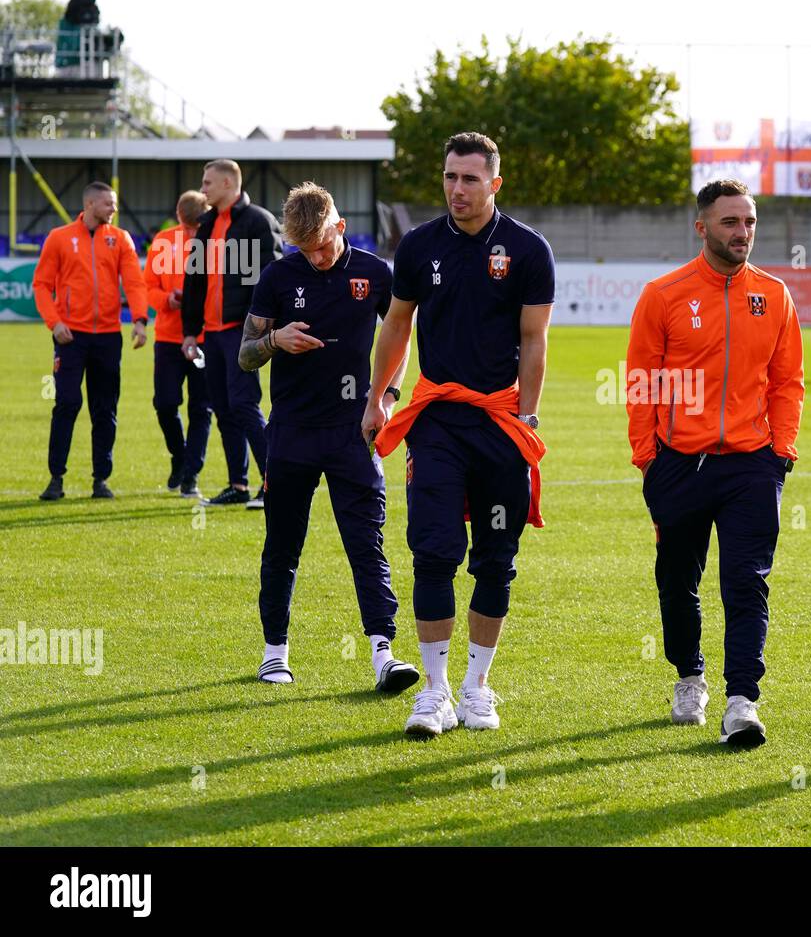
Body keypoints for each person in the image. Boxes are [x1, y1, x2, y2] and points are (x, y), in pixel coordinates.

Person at [364, 132, 554, 737]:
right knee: (433, 551)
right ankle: (435, 692)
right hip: (438, 421)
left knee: (495, 561)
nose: (458, 189)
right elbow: (397, 324)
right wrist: (377, 396)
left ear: (494, 184)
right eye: (450, 177)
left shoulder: (527, 249)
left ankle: (476, 686)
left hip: (500, 423)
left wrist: (527, 417)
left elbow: (534, 339)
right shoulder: (419, 245)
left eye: (470, 179)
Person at [625, 179, 805, 749]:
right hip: (680, 464)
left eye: (749, 221)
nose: (742, 232)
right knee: (678, 580)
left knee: (747, 582)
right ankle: (689, 677)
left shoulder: (774, 295)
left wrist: (782, 452)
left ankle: (742, 701)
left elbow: (788, 381)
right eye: (730, 222)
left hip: (752, 465)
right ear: (702, 227)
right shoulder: (663, 295)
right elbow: (642, 382)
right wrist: (649, 460)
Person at [238, 182, 419, 693]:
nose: (314, 257)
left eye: (320, 245)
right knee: (282, 546)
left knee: (366, 544)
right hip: (290, 432)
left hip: (352, 431)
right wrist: (276, 340)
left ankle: (384, 655)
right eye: (304, 249)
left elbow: (399, 335)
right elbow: (244, 353)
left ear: (340, 227)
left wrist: (387, 396)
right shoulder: (278, 276)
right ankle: (274, 654)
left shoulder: (375, 273)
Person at [33, 182, 148, 500]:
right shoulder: (59, 237)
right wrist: (55, 323)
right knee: (67, 404)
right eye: (108, 203)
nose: (114, 209)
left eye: (114, 203)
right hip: (70, 336)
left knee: (105, 409)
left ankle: (101, 480)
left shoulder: (121, 238)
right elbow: (41, 285)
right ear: (90, 204)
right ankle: (56, 479)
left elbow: (134, 282)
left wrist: (139, 319)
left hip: (108, 337)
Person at [181, 159, 282, 509]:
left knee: (243, 404)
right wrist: (190, 331)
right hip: (211, 334)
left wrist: (260, 329)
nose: (202, 188)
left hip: (242, 332)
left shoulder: (258, 221)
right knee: (224, 408)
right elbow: (194, 282)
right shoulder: (207, 224)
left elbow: (271, 278)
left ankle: (273, 483)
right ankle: (238, 485)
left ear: (227, 183)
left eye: (207, 182)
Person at [144, 191, 212, 497]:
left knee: (201, 408)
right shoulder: (162, 241)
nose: (191, 234)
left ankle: (191, 474)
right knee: (165, 403)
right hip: (169, 337)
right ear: (178, 218)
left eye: (196, 228)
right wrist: (166, 300)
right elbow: (148, 286)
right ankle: (180, 457)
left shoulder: (218, 243)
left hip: (205, 337)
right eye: (186, 228)